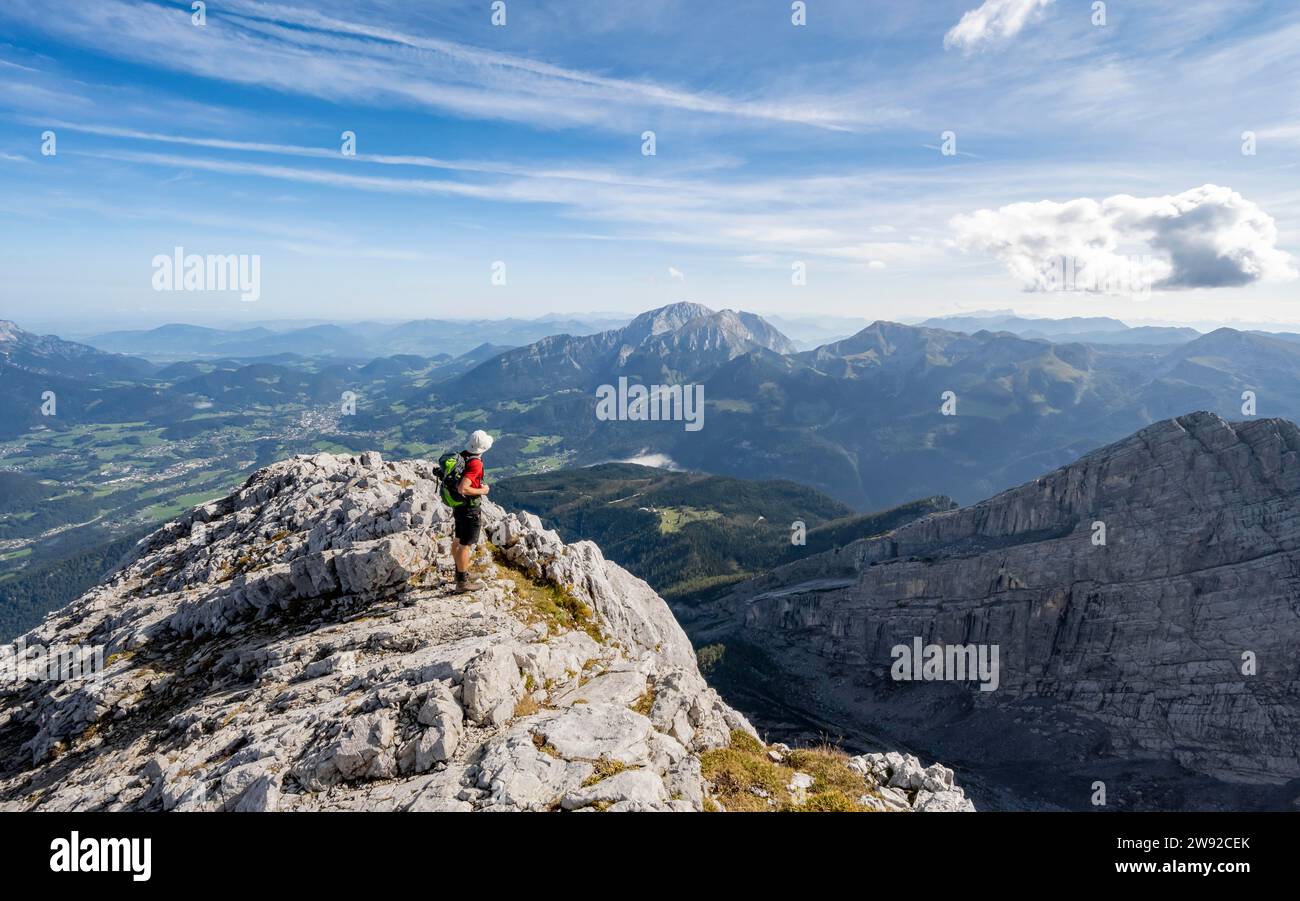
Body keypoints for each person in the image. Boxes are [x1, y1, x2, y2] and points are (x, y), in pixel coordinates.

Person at [451, 429, 493, 592]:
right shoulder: (475, 463)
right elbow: (463, 488)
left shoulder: (463, 455)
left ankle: (460, 572)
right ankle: (462, 582)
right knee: (465, 545)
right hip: (469, 509)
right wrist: (483, 491)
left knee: (458, 540)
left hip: (459, 507)